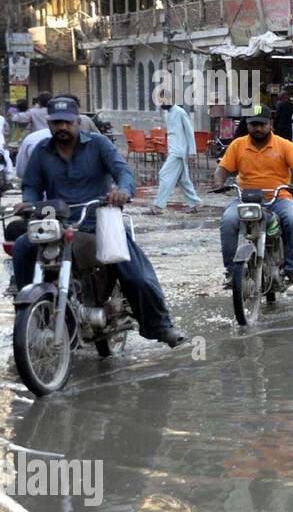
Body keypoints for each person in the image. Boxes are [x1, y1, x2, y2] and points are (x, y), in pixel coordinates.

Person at [14, 95, 188, 347]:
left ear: (77, 121)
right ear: (49, 124)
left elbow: (123, 171)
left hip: (99, 221)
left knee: (136, 274)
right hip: (56, 222)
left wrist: (123, 191)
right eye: (56, 123)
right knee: (21, 248)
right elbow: (31, 186)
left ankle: (161, 326)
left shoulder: (98, 145)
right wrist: (28, 202)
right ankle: (31, 314)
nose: (62, 127)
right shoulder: (41, 152)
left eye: (67, 122)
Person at [211, 108, 293, 286]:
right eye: (253, 124)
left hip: (279, 198)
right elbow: (223, 169)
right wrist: (218, 182)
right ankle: (232, 272)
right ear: (247, 125)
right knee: (228, 221)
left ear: (270, 124)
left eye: (262, 124)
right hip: (245, 198)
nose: (258, 128)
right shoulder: (238, 145)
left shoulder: (284, 145)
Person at [150, 102, 201, 214]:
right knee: (183, 180)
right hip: (175, 151)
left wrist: (192, 152)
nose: (160, 105)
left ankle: (158, 206)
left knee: (164, 174)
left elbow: (189, 132)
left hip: (178, 152)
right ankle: (195, 204)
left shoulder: (180, 112)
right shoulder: (169, 113)